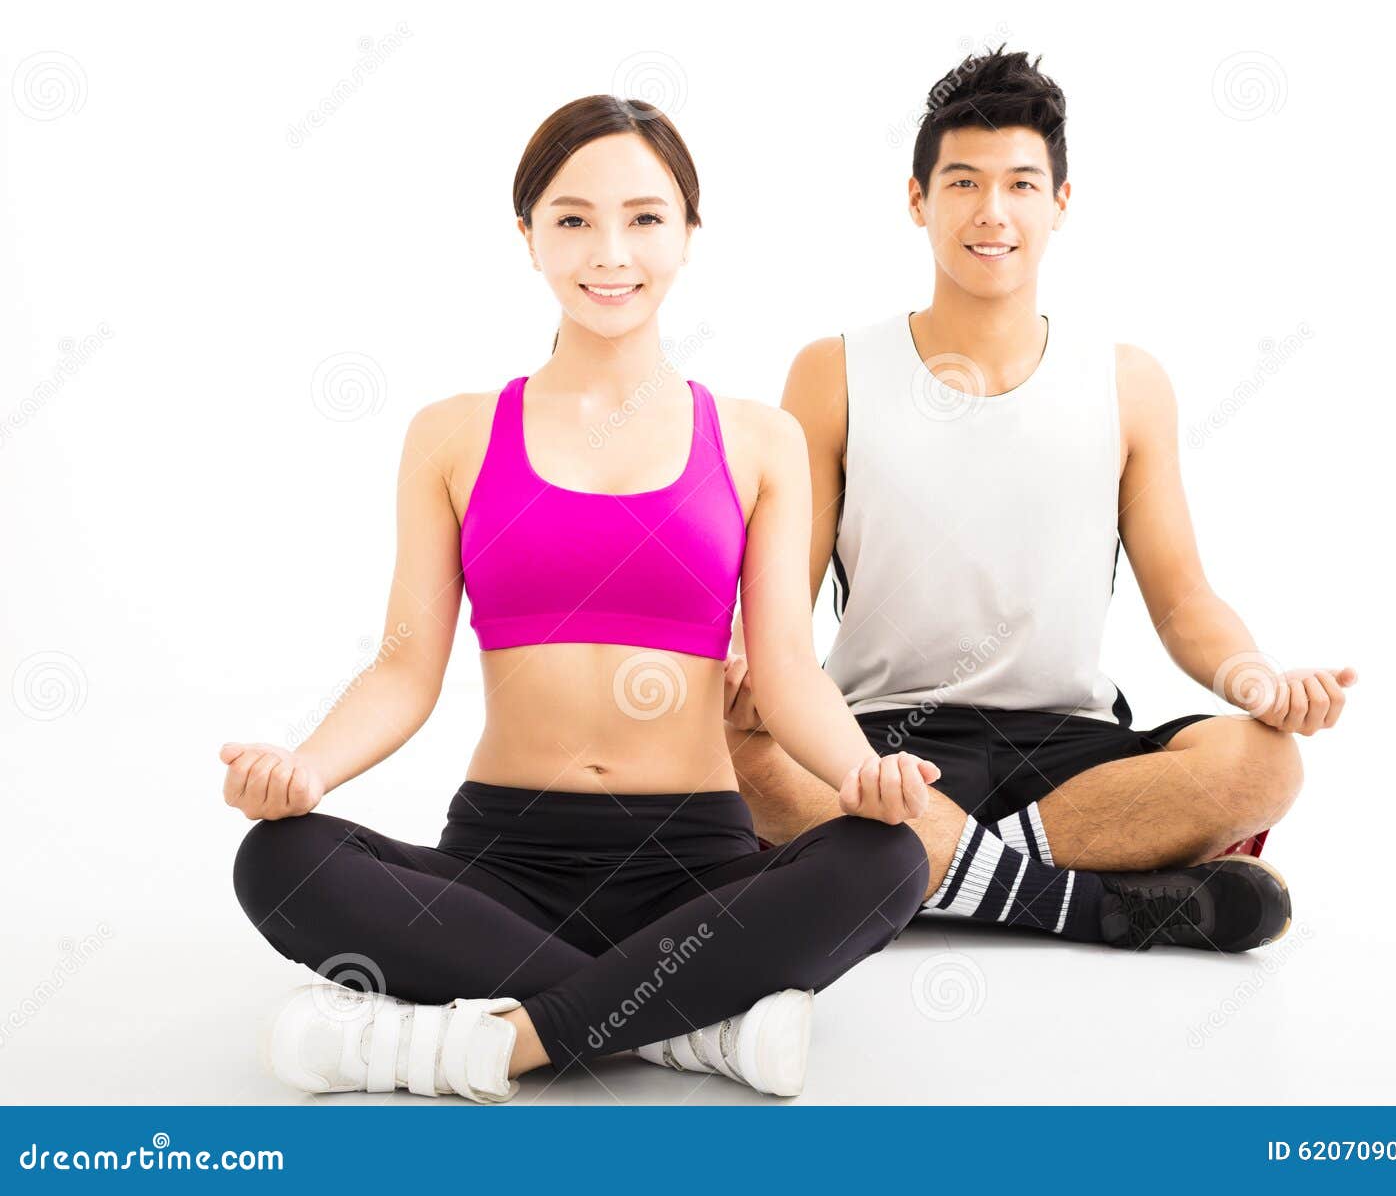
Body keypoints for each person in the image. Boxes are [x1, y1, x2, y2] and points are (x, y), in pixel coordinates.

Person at [225, 94, 939, 1104]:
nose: (611, 249)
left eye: (645, 217)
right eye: (572, 219)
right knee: (280, 860)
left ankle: (502, 1040)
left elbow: (784, 670)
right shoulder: (451, 434)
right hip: (501, 864)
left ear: (690, 234)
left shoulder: (758, 439)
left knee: (888, 860)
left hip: (694, 861)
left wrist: (865, 776)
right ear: (528, 239)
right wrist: (302, 767)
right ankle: (689, 1027)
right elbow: (402, 667)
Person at [723, 47, 1356, 953]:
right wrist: (743, 667)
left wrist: (1257, 678)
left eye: (1022, 185)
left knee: (1261, 763)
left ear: (1060, 204)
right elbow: (781, 596)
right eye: (964, 182)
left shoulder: (1129, 383)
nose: (992, 212)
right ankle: (1091, 905)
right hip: (882, 742)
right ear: (917, 201)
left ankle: (920, 876)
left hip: (1070, 753)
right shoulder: (833, 373)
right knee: (723, 753)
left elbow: (1182, 601)